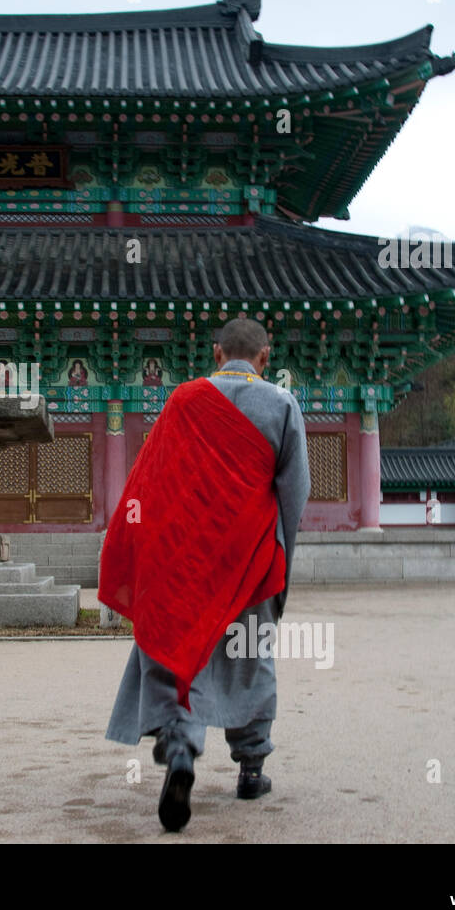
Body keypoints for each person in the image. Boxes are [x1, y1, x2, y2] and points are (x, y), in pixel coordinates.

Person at [101, 317, 310, 832]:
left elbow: (151, 479)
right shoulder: (281, 404)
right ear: (265, 357)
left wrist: (144, 549)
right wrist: (281, 552)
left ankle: (180, 749)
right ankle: (251, 767)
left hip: (182, 555)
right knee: (249, 653)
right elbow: (295, 491)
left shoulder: (183, 401)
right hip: (249, 557)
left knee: (176, 646)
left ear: (217, 354)